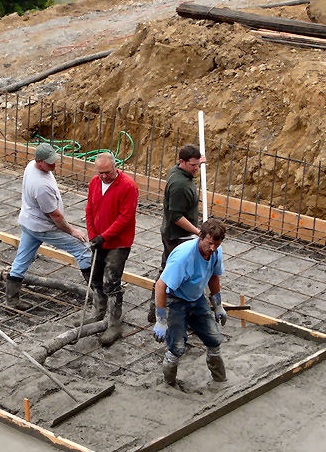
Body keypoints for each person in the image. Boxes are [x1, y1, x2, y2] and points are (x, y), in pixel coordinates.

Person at [6, 143, 92, 306]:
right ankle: (98, 295)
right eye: (49, 162)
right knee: (82, 250)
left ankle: (11, 301)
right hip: (43, 227)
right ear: (39, 161)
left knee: (21, 261)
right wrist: (72, 231)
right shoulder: (41, 186)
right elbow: (55, 215)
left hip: (28, 222)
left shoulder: (31, 166)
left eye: (54, 160)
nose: (54, 164)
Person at [153, 218, 228, 389]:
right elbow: (160, 285)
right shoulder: (183, 256)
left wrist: (218, 305)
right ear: (200, 237)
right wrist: (161, 320)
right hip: (175, 299)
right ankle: (169, 385)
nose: (212, 248)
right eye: (209, 243)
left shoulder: (216, 251)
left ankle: (220, 381)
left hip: (196, 297)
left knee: (214, 340)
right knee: (177, 347)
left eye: (216, 244)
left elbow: (214, 277)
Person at [85, 151, 138, 346]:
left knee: (112, 281)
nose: (104, 176)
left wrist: (104, 236)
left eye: (107, 172)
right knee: (96, 276)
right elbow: (89, 210)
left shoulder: (128, 186)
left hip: (118, 243)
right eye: (100, 173)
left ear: (115, 167)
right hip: (99, 240)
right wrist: (93, 235)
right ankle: (98, 312)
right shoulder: (94, 183)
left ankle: (114, 322)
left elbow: (125, 218)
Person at [148, 144, 205, 322]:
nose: (196, 168)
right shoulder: (180, 185)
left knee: (167, 269)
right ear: (182, 162)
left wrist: (198, 161)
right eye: (193, 165)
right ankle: (162, 311)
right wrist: (197, 231)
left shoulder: (178, 170)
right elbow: (176, 216)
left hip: (172, 234)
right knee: (173, 274)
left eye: (198, 165)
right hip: (178, 237)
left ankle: (154, 309)